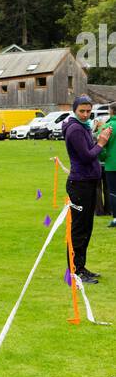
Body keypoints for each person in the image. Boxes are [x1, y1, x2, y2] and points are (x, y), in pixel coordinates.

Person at [64, 95, 111, 283]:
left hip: (88, 182)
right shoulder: (75, 129)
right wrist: (101, 142)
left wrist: (94, 134)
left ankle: (81, 267)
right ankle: (75, 271)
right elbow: (86, 156)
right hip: (80, 184)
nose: (85, 114)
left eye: (88, 111)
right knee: (79, 229)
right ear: (74, 110)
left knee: (87, 228)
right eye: (81, 111)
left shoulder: (82, 127)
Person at [98, 102, 116, 227]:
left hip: (112, 164)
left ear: (111, 111)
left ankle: (115, 218)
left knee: (113, 192)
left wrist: (103, 157)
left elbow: (101, 146)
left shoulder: (108, 126)